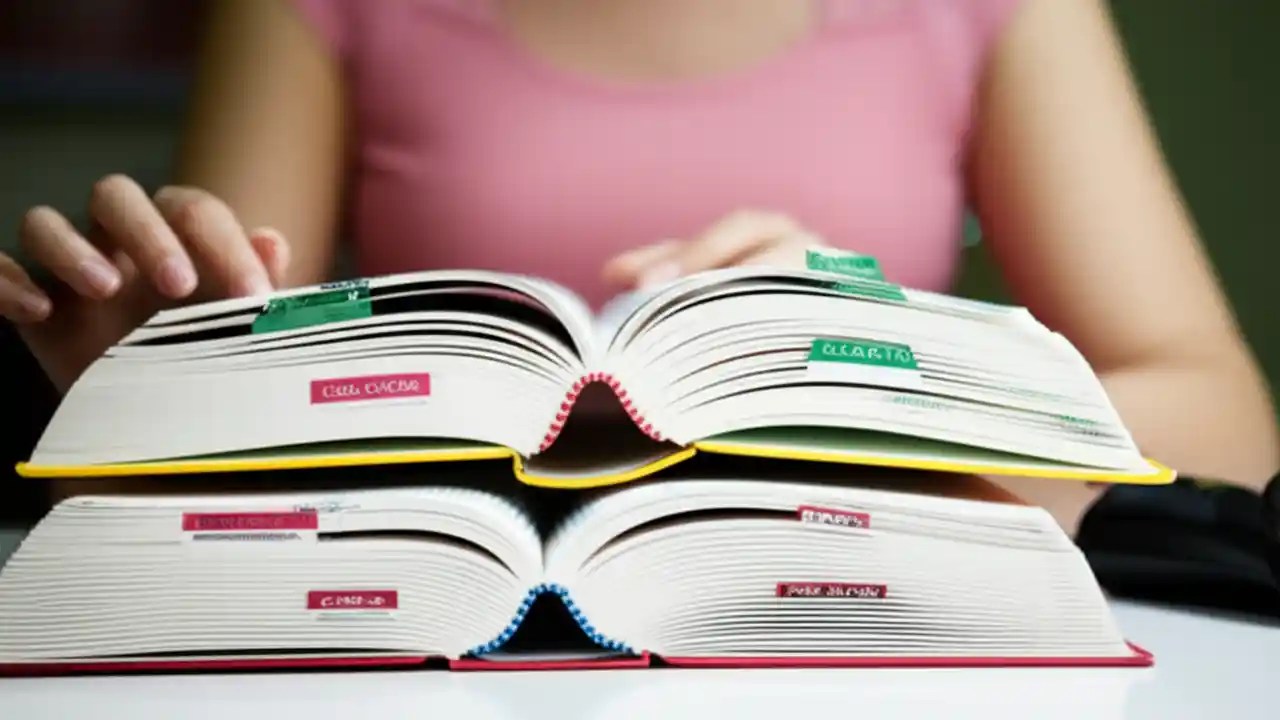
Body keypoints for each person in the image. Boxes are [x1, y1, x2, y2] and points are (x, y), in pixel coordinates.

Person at [1, 0, 1276, 532]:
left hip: (857, 625)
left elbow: (1223, 420)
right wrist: (155, 391)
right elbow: (227, 352)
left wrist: (883, 372)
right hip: (433, 631)